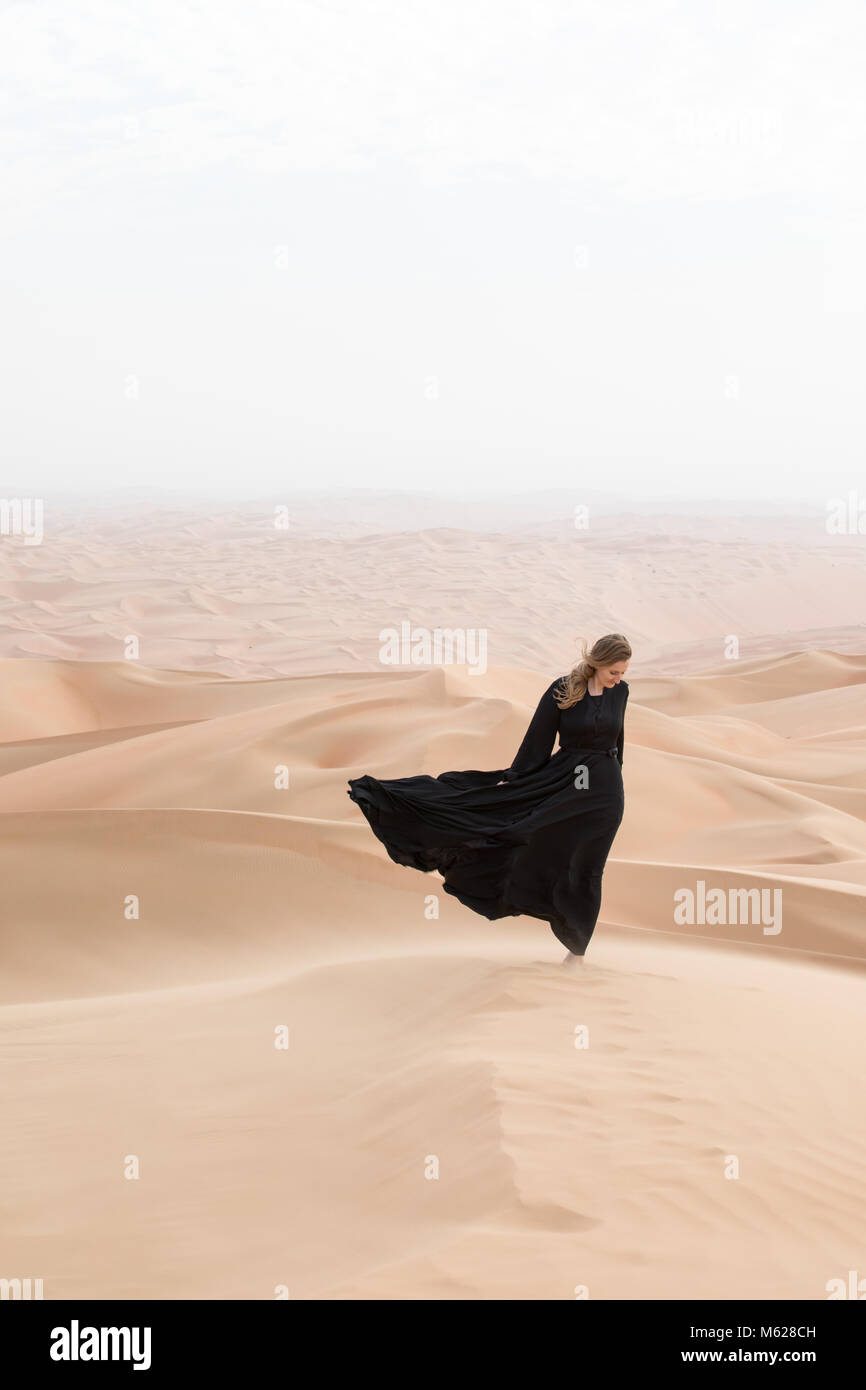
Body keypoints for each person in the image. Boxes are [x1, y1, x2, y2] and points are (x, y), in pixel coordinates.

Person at [347, 633, 631, 962]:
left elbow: (618, 742)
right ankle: (505, 891)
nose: (618, 679)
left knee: (589, 867)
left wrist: (614, 780)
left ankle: (577, 951)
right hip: (564, 782)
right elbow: (537, 740)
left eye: (622, 673)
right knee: (522, 836)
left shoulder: (621, 692)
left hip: (605, 793)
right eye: (613, 672)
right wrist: (514, 783)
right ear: (597, 663)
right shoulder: (563, 689)